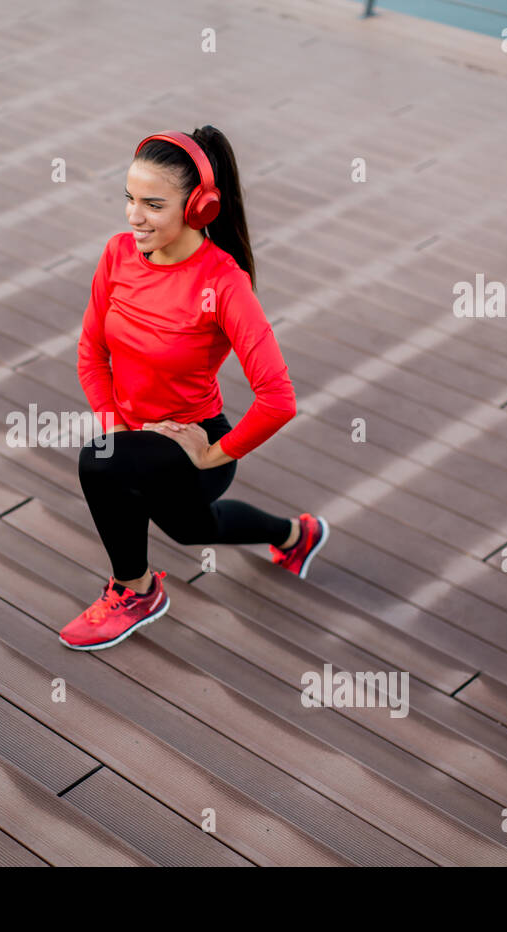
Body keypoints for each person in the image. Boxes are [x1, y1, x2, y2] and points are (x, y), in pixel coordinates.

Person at [63, 127, 329, 651]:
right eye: (129, 199)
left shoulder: (223, 283)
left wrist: (211, 456)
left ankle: (136, 590)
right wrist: (118, 427)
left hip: (194, 447)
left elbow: (278, 398)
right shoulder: (118, 255)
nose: (133, 217)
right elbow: (91, 354)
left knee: (100, 462)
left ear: (200, 206)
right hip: (136, 441)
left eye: (153, 204)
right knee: (190, 529)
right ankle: (297, 536)